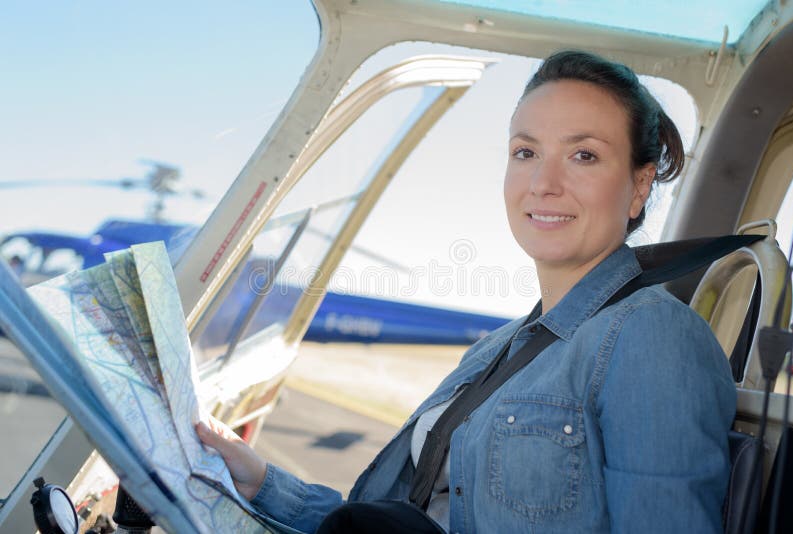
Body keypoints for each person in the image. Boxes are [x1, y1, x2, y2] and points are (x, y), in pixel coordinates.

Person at [197, 50, 736, 533]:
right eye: (525, 152)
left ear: (640, 186)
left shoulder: (652, 336)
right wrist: (260, 481)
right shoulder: (496, 349)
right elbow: (408, 515)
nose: (542, 182)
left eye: (584, 155)